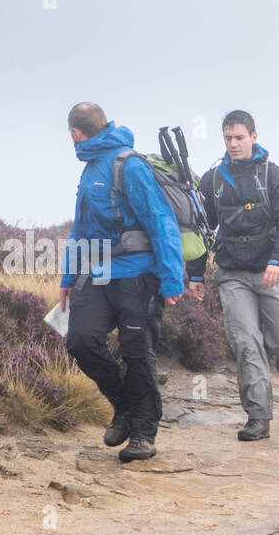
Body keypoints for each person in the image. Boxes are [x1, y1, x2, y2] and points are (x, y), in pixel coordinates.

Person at [59, 102, 185, 463]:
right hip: (95, 274)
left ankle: (143, 432)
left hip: (137, 274)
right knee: (81, 340)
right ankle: (124, 407)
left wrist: (171, 279)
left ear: (76, 133)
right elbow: (79, 229)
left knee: (136, 349)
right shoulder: (90, 168)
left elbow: (161, 222)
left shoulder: (128, 165)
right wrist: (68, 277)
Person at [197, 110, 279, 441]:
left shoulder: (274, 176)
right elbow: (202, 230)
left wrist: (278, 259)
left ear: (253, 137)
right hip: (232, 274)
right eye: (227, 138)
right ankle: (258, 417)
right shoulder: (214, 180)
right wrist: (194, 274)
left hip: (269, 271)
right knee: (246, 342)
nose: (233, 144)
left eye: (239, 137)